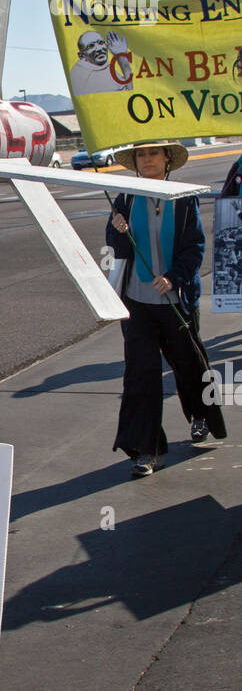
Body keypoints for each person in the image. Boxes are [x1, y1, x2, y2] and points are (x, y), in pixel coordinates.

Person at [105, 141, 227, 477]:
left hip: (176, 300)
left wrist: (174, 277)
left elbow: (195, 246)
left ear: (167, 159)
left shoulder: (183, 198)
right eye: (141, 155)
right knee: (141, 375)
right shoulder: (126, 198)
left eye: (153, 154)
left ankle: (200, 415)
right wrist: (117, 231)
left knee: (188, 364)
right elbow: (116, 247)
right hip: (137, 303)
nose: (147, 159)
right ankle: (147, 450)